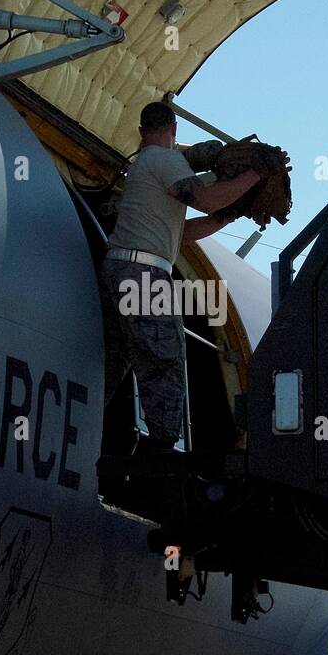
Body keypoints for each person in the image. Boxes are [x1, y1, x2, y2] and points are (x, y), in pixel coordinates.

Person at [98, 102, 270, 452]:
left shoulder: (148, 167)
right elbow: (206, 201)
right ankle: (159, 453)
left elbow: (184, 232)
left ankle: (93, 438)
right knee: (166, 359)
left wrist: (232, 213)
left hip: (125, 269)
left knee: (113, 363)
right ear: (173, 127)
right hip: (143, 274)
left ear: (142, 128)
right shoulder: (164, 159)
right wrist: (255, 175)